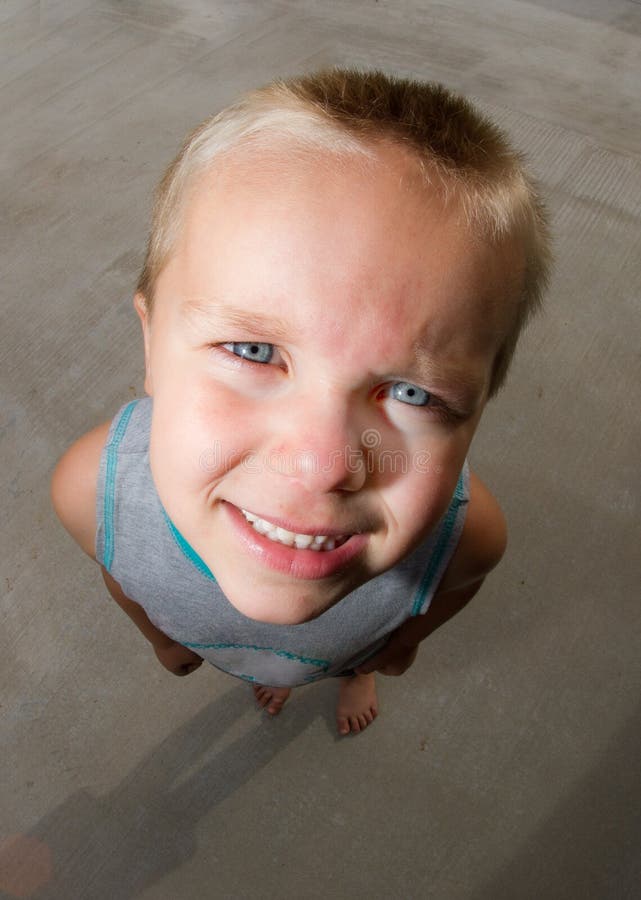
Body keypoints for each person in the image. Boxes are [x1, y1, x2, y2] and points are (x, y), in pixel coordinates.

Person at [50, 69, 550, 735]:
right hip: (207, 644)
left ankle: (350, 669)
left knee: (352, 655)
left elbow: (446, 591)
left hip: (347, 648)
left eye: (411, 393)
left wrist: (393, 646)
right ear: (150, 342)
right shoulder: (92, 492)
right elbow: (123, 573)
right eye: (252, 352)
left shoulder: (468, 539)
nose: (322, 467)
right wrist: (160, 637)